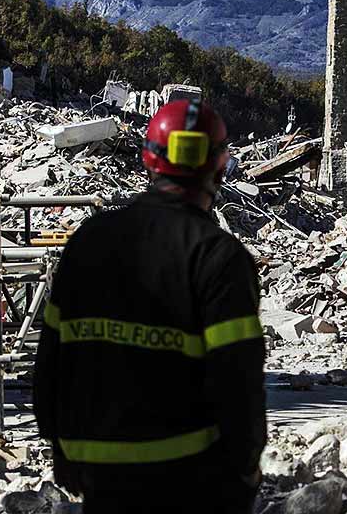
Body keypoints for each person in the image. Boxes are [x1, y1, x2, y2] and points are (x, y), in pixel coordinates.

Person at [33, 97, 266, 513]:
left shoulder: (87, 241)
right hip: (185, 474)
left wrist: (58, 445)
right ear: (218, 166)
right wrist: (245, 468)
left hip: (96, 469)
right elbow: (238, 381)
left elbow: (51, 356)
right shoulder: (219, 258)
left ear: (147, 159)